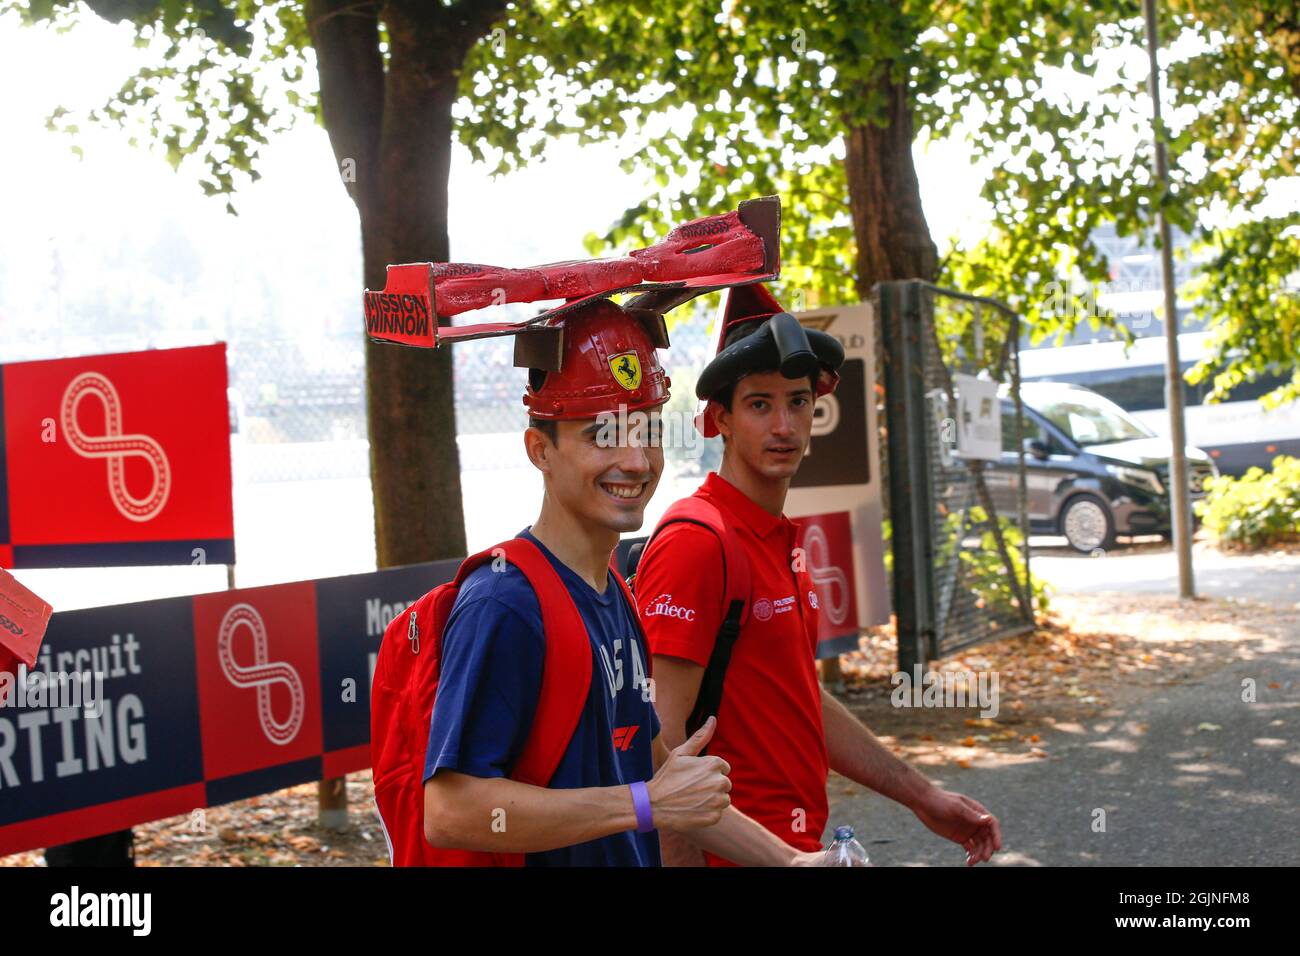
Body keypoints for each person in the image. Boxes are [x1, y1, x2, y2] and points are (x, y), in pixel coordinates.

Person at [422, 297, 818, 866]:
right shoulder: (505, 601)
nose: (635, 460)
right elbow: (450, 810)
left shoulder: (615, 594)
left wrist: (794, 862)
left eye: (648, 430)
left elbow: (659, 774)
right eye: (602, 436)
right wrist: (642, 803)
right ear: (541, 450)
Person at [635, 284, 1004, 867]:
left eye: (798, 401)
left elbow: (797, 698)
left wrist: (922, 796)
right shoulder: (698, 541)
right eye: (759, 404)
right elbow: (657, 750)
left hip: (801, 853)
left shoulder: (778, 535)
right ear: (719, 419)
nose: (783, 424)